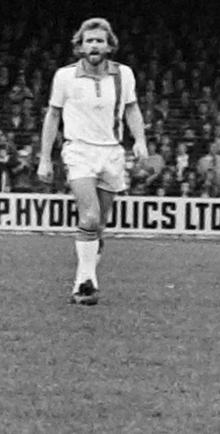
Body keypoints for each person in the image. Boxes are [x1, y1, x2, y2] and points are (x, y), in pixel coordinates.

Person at [36, 17, 152, 306]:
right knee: (88, 217)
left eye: (100, 40)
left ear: (109, 46)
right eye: (89, 41)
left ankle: (83, 279)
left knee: (98, 225)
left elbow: (132, 109)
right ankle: (85, 284)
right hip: (79, 151)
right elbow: (53, 115)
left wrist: (140, 141)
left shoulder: (124, 74)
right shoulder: (65, 76)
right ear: (80, 47)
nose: (95, 45)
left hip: (112, 153)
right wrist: (44, 158)